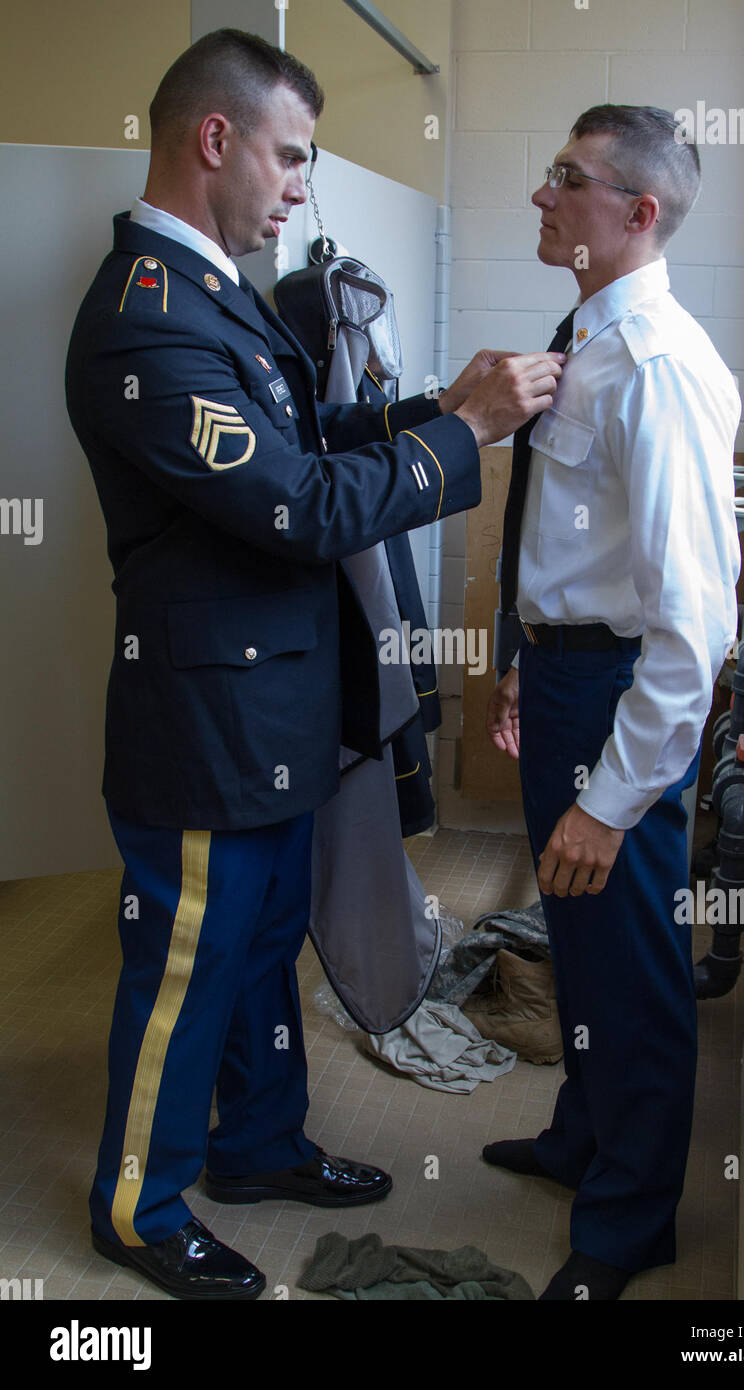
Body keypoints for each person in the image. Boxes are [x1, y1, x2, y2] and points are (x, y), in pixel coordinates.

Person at [65, 27, 564, 1300]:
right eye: (290, 157)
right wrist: (464, 434)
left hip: (271, 709)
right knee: (186, 971)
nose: (301, 188)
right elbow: (300, 504)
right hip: (204, 730)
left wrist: (419, 407)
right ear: (212, 139)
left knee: (260, 942)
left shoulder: (216, 292)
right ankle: (139, 1206)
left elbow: (310, 428)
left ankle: (257, 1143)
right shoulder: (142, 320)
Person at [485, 105, 741, 1301]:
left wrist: (612, 796)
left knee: (629, 960)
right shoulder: (587, 334)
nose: (541, 196)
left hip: (622, 696)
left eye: (566, 179)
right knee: (575, 932)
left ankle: (630, 1218)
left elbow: (691, 631)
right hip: (568, 672)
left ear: (637, 213)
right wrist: (523, 653)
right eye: (549, 172)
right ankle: (582, 1140)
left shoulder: (656, 365)